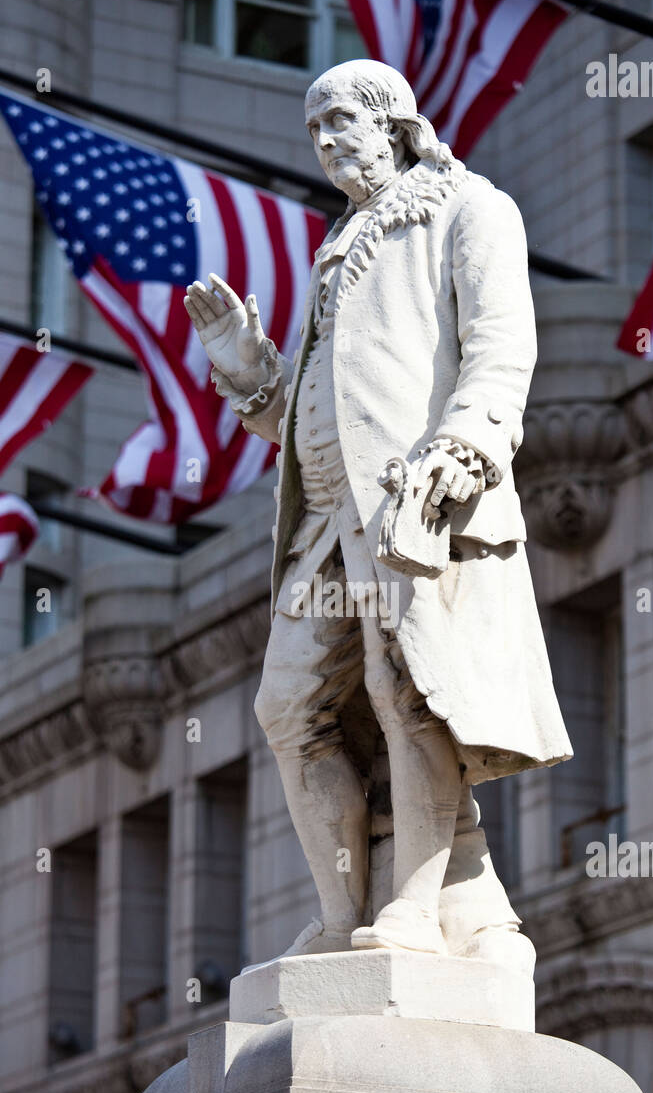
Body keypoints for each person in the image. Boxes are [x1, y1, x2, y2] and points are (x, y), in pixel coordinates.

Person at [185, 59, 572, 960]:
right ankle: (340, 914)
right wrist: (244, 362)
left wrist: (464, 447)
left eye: (339, 125)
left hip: (413, 509)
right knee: (289, 709)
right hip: (322, 523)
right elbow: (303, 415)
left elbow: (503, 348)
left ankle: (412, 911)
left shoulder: (471, 208)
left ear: (394, 125)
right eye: (314, 129)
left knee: (409, 694)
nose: (324, 144)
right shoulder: (342, 245)